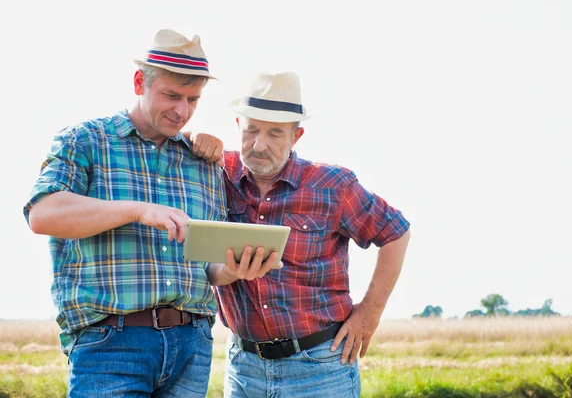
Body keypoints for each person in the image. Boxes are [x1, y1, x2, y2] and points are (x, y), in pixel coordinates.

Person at [23, 29, 279, 397]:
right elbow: (43, 214)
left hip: (192, 346)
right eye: (172, 95)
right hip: (110, 345)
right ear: (139, 81)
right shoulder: (86, 140)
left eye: (193, 99)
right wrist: (138, 210)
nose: (182, 111)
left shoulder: (203, 162)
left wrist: (233, 269)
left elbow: (207, 266)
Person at [189, 71, 411, 397]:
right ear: (238, 127)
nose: (259, 144)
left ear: (296, 136)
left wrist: (369, 314)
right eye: (251, 130)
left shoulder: (332, 185)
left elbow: (396, 232)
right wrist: (194, 136)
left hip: (320, 368)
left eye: (275, 133)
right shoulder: (216, 174)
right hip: (244, 368)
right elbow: (168, 142)